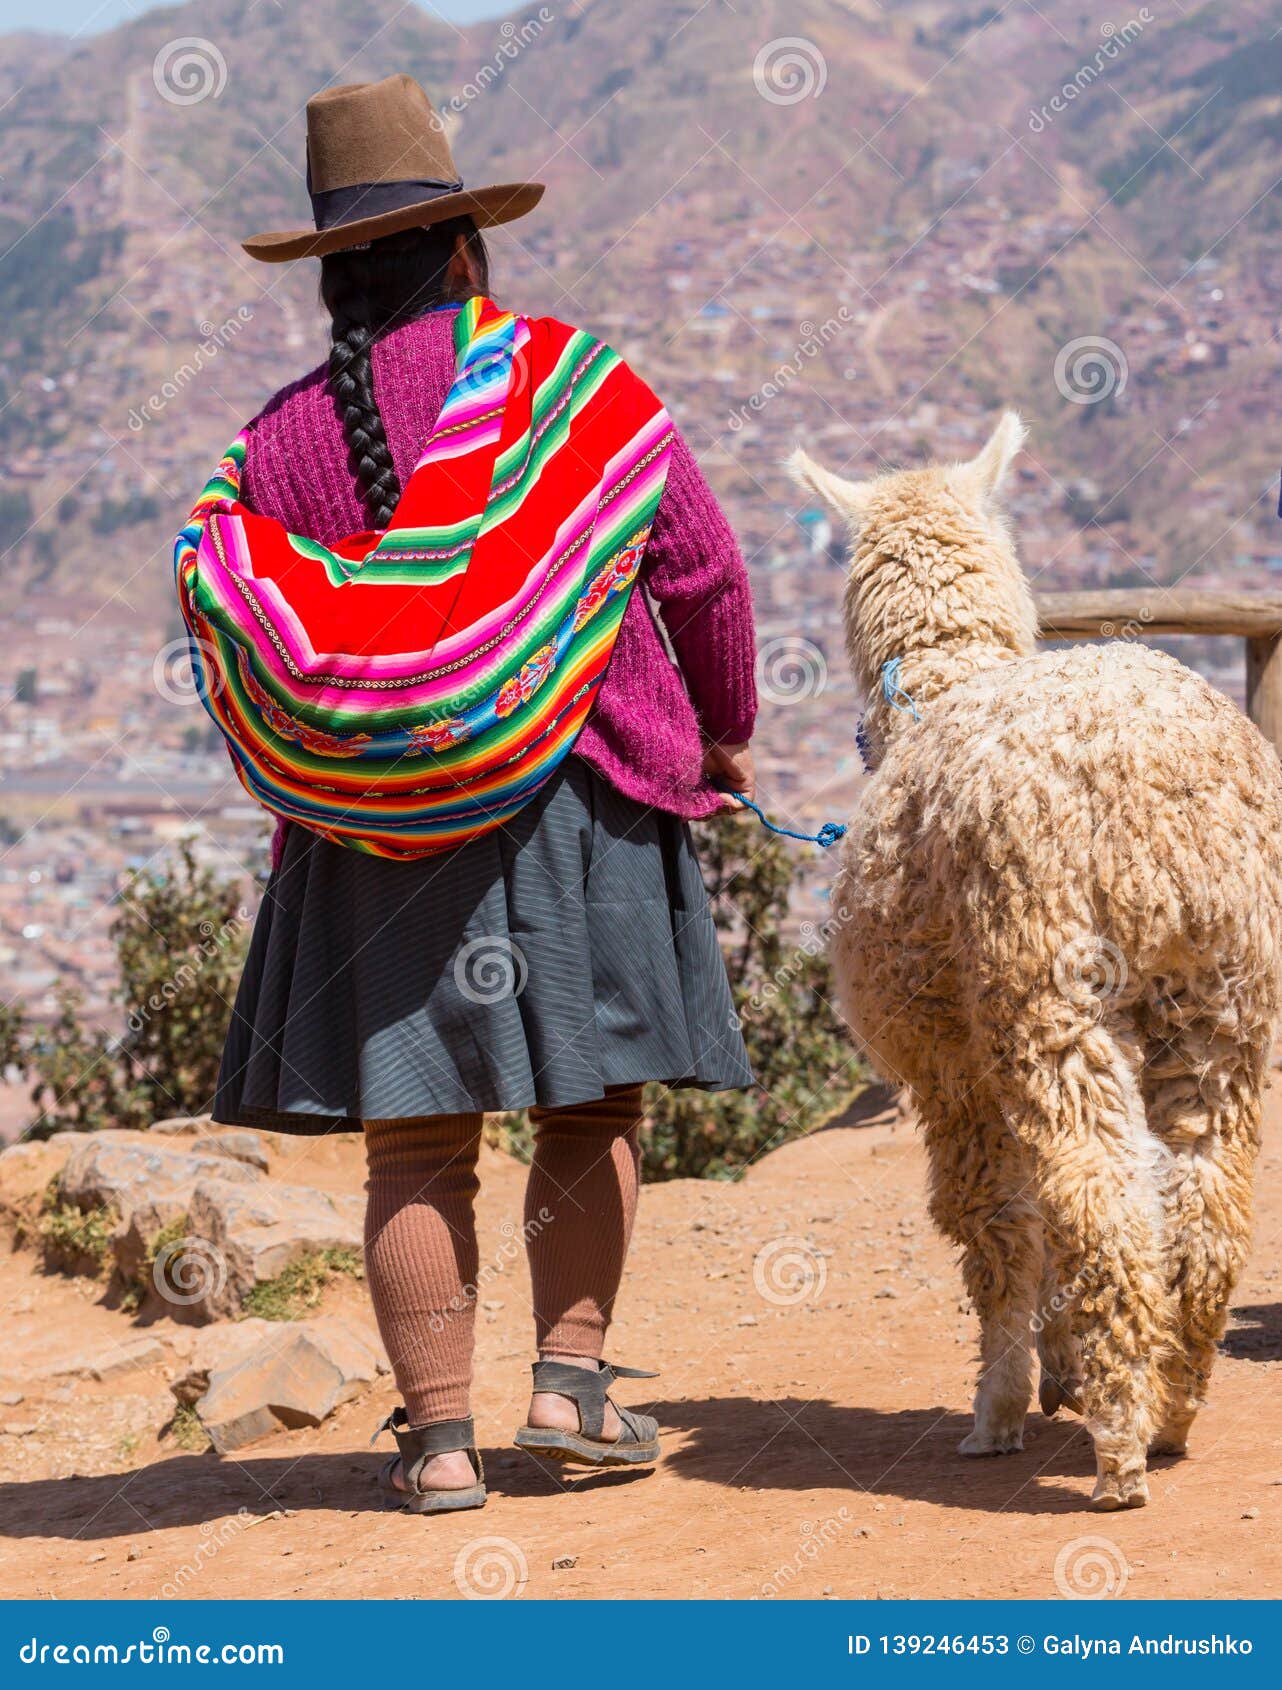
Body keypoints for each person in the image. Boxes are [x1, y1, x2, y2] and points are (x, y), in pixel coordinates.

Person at [207, 74, 757, 1514]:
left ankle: (439, 1441)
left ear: (333, 271)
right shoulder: (576, 387)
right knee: (587, 1107)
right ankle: (570, 1392)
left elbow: (252, 630)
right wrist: (724, 736)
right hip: (578, 799)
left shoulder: (274, 443)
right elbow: (701, 573)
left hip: (376, 833)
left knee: (416, 1140)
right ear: (464, 248)